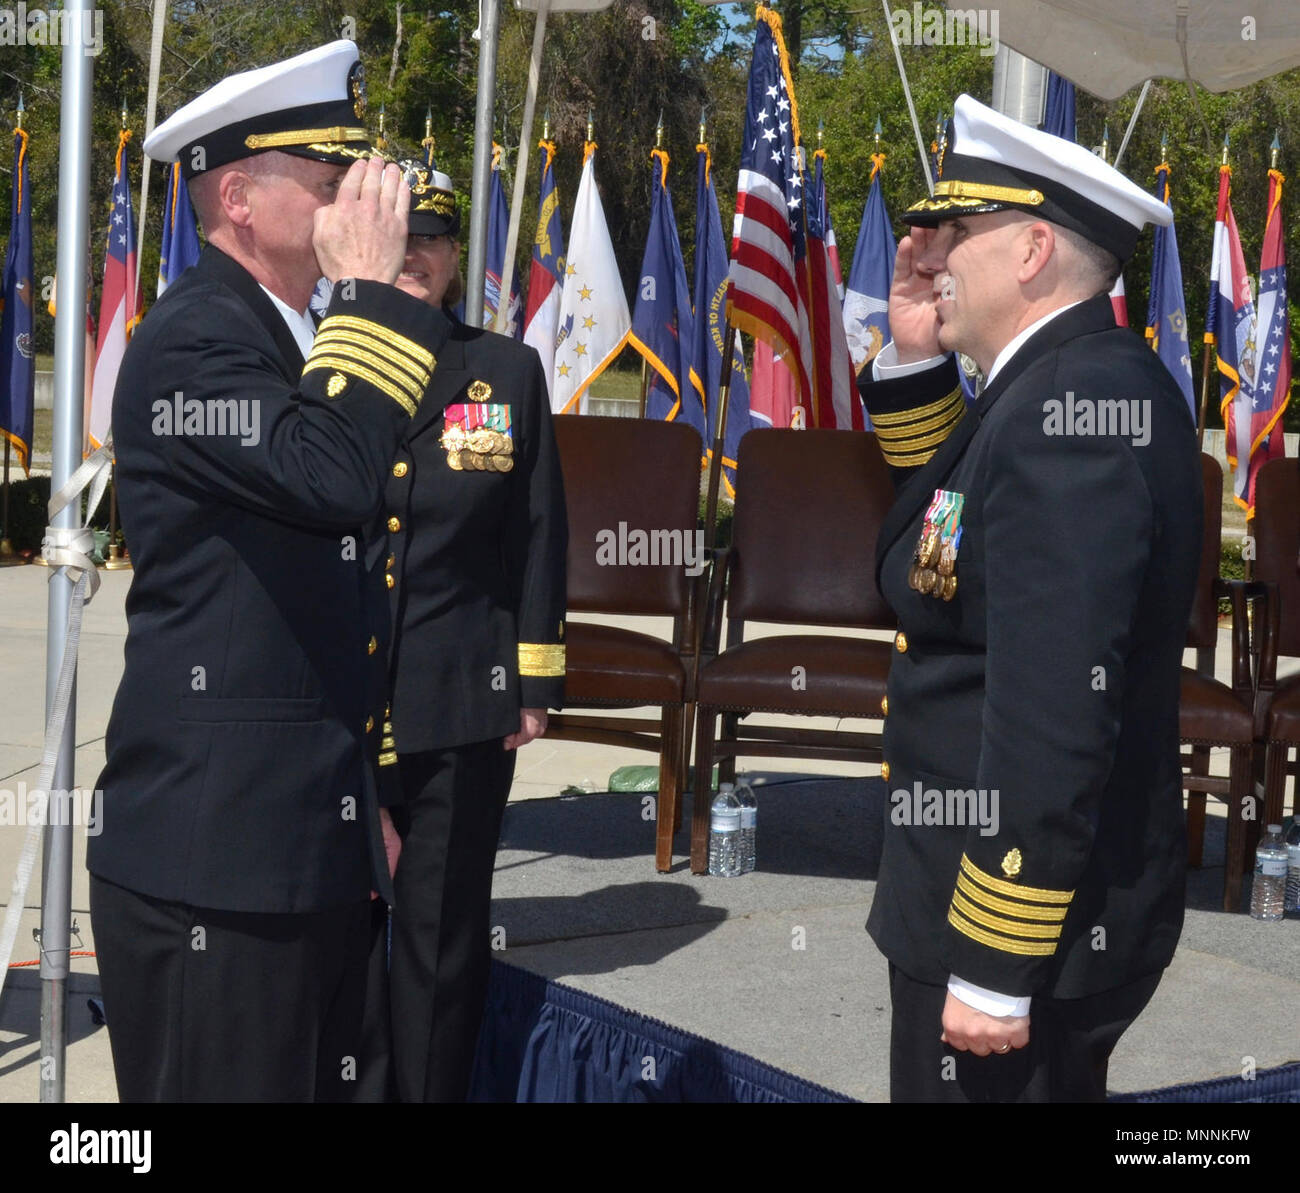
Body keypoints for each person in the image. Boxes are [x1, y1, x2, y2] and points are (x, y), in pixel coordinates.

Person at [87, 41, 453, 1102]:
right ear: (238, 197)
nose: (355, 197)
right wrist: (374, 290)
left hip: (307, 846)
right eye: (328, 178)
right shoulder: (196, 341)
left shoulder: (299, 335)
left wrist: (364, 794)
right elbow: (332, 477)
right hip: (218, 868)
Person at [859, 93, 1202, 1102]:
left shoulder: (1067, 418)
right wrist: (919, 359)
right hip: (1000, 897)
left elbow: (1051, 704)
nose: (923, 255)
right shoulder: (1059, 384)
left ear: (1030, 251)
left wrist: (994, 960)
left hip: (1017, 915)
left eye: (951, 231)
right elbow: (954, 535)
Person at [372, 159, 567, 1102]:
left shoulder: (504, 370)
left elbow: (537, 529)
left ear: (454, 257)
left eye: (434, 240)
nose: (417, 255)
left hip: (461, 695)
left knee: (444, 939)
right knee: (331, 933)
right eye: (400, 237)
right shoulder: (320, 360)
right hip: (340, 698)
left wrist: (533, 683)